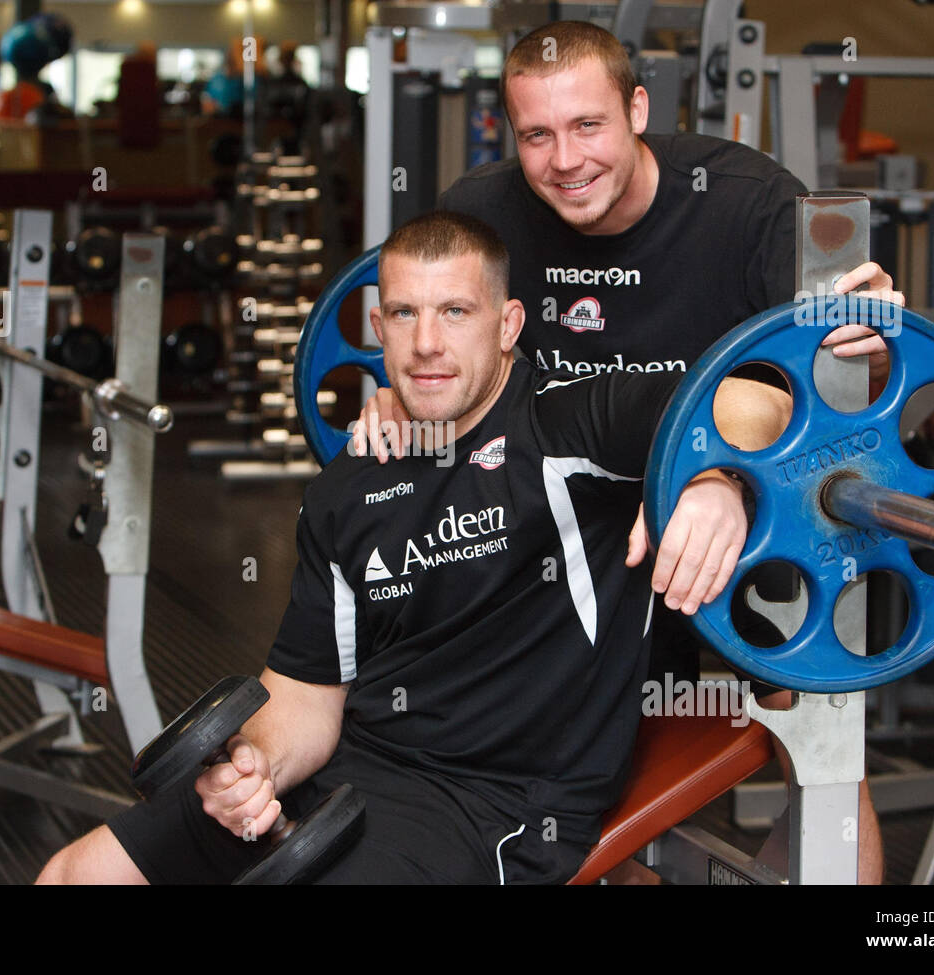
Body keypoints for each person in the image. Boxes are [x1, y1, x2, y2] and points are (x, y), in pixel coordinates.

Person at [37, 210, 790, 884]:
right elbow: (303, 695)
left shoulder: (569, 426)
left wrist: (715, 478)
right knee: (75, 873)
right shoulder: (346, 488)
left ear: (508, 324)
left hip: (492, 803)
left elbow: (760, 403)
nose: (427, 343)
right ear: (379, 325)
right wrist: (254, 764)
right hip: (351, 764)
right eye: (405, 313)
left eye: (455, 311)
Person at [352, 21, 902, 883]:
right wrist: (400, 398)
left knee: (823, 742)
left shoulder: (749, 205)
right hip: (565, 536)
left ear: (638, 109)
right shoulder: (484, 209)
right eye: (537, 135)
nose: (565, 160)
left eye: (588, 126)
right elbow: (434, 344)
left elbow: (838, 398)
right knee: (565, 763)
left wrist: (866, 352)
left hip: (748, 512)